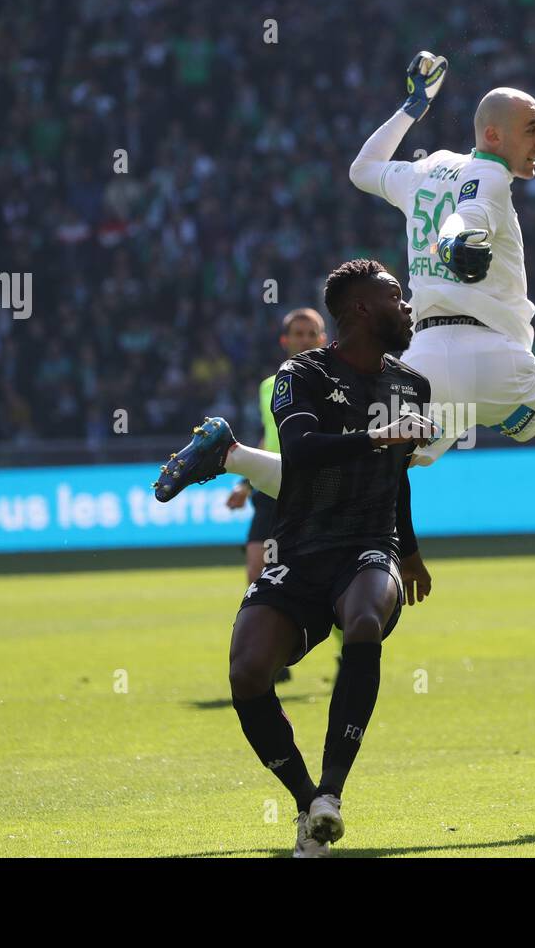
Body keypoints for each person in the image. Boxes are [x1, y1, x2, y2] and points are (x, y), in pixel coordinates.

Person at [220, 53, 535, 655]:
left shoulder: (425, 172)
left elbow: (363, 168)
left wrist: (412, 106)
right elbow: (468, 217)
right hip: (491, 360)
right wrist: (458, 243)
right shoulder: (490, 174)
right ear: (493, 135)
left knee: (356, 469)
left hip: (421, 360)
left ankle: (231, 454)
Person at [152, 259, 434, 857]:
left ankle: (333, 789)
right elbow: (302, 450)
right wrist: (379, 437)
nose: (407, 305)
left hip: (369, 545)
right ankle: (309, 804)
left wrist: (407, 550)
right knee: (247, 672)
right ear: (361, 308)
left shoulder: (412, 384)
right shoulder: (299, 375)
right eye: (395, 295)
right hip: (299, 548)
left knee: (363, 623)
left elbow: (398, 474)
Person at [226, 308, 328, 684]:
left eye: (310, 333)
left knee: (326, 579)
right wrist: (245, 482)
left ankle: (348, 646)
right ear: (285, 341)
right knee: (257, 568)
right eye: (297, 333)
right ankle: (274, 653)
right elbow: (269, 439)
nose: (303, 339)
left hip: (312, 490)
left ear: (322, 339)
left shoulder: (330, 383)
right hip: (271, 489)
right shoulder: (270, 386)